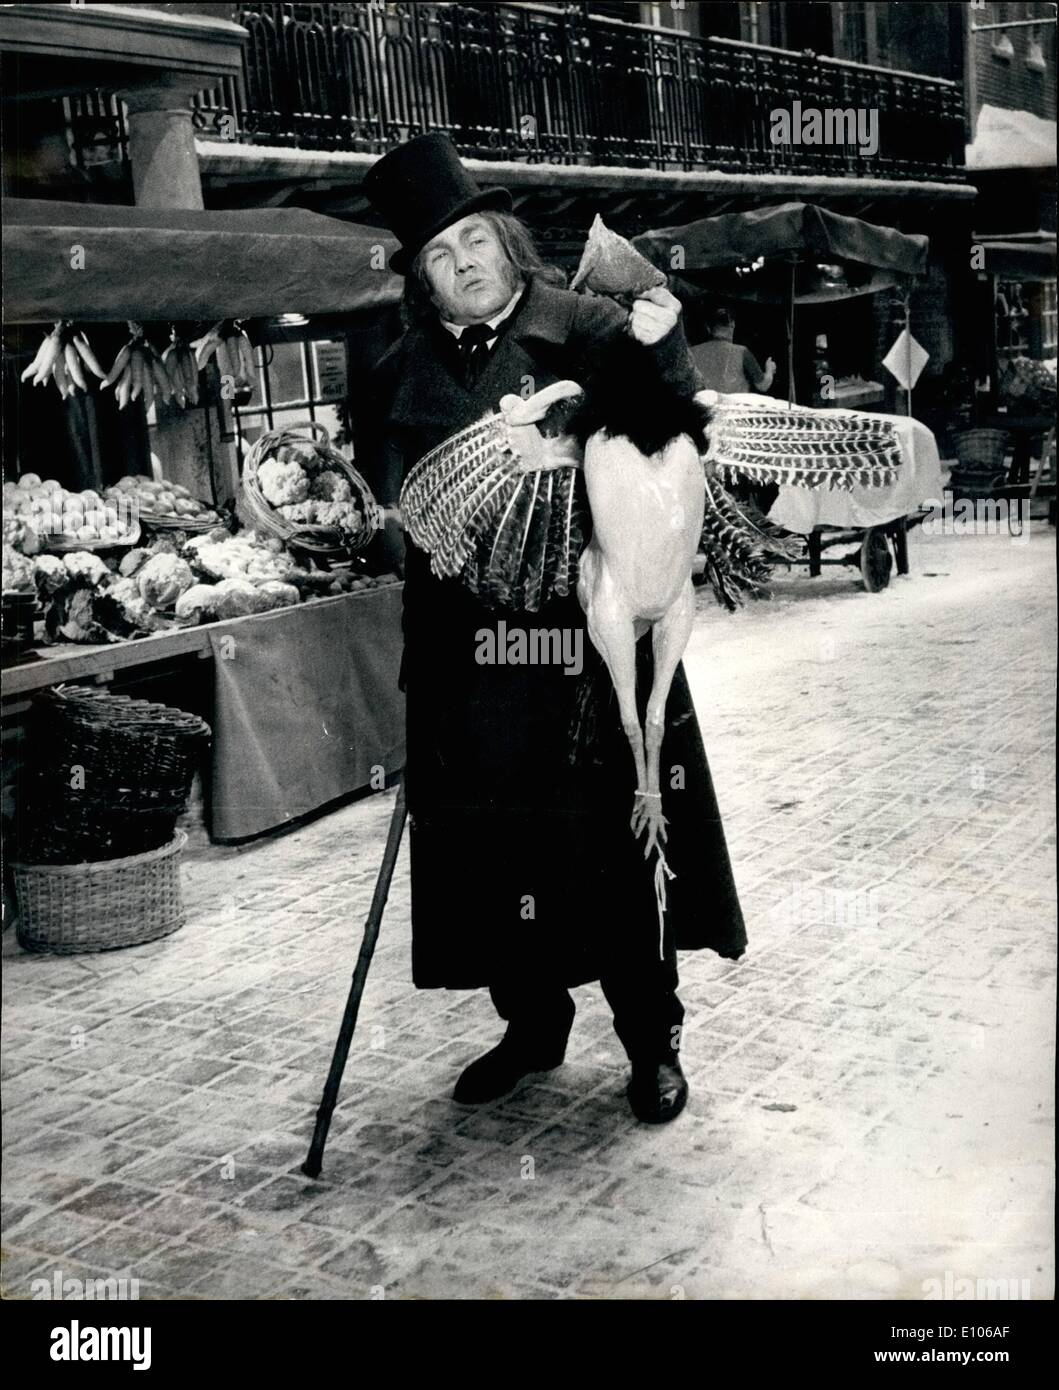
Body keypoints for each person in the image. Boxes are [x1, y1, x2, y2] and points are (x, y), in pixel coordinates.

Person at [357, 133, 746, 1125]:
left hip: (585, 643)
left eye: (474, 240)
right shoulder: (396, 366)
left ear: (508, 242)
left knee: (617, 854)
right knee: (499, 860)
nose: (462, 265)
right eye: (439, 258)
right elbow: (397, 507)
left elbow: (672, 429)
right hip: (471, 657)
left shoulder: (587, 324)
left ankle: (650, 1039)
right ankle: (533, 1024)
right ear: (423, 282)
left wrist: (652, 354)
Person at [691, 307, 775, 396]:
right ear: (732, 325)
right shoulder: (742, 352)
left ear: (708, 328)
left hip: (701, 407)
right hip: (732, 408)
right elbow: (763, 386)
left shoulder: (691, 352)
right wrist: (770, 370)